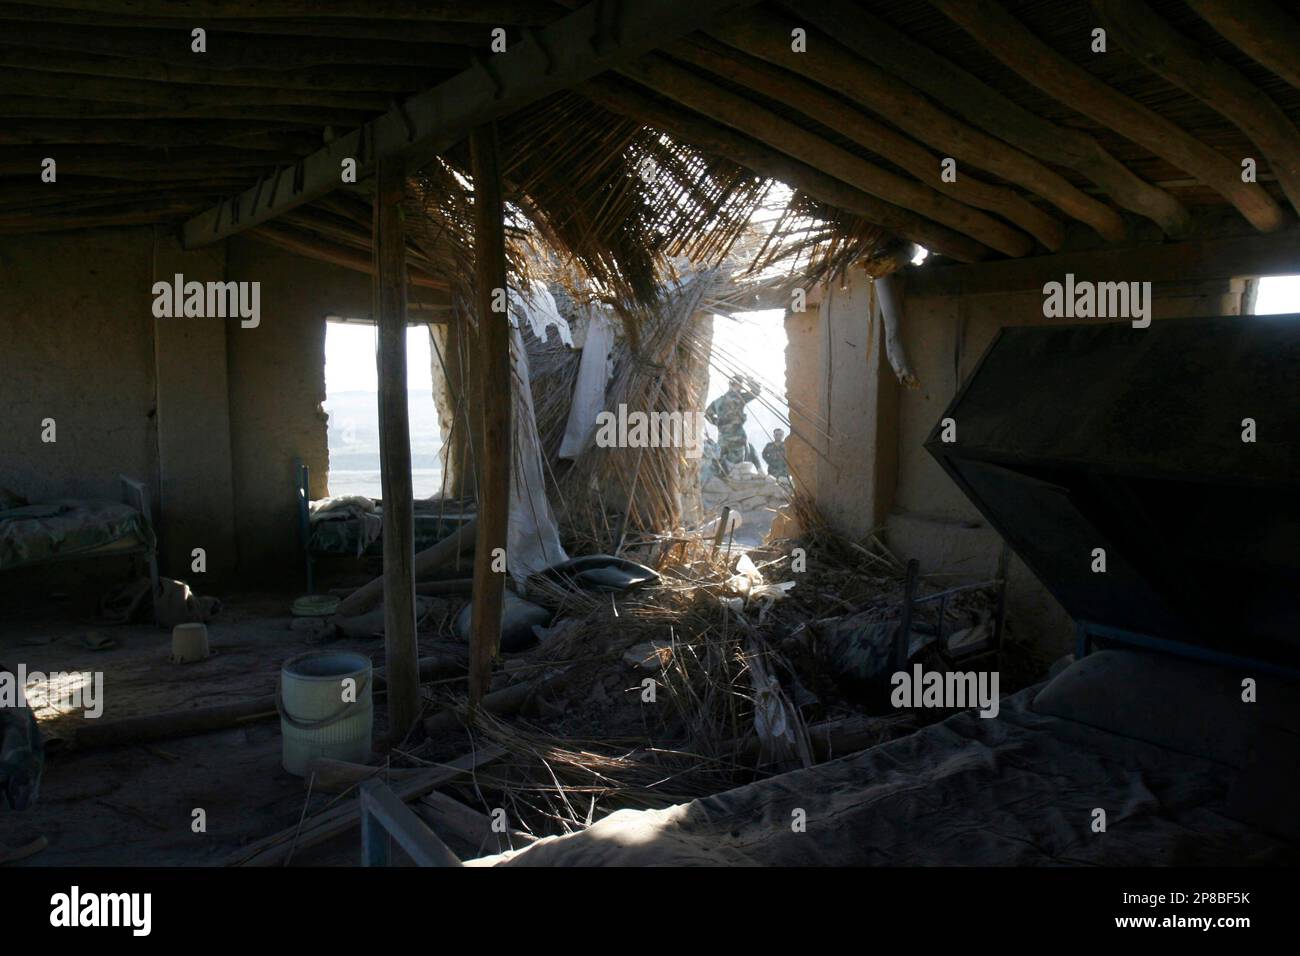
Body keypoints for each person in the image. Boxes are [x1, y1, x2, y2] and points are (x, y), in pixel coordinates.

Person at [705, 375, 760, 473]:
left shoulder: (718, 401)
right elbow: (756, 392)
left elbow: (707, 414)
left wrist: (718, 422)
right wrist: (750, 381)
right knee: (738, 466)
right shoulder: (740, 397)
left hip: (723, 437)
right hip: (737, 436)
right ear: (738, 385)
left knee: (722, 466)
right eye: (740, 385)